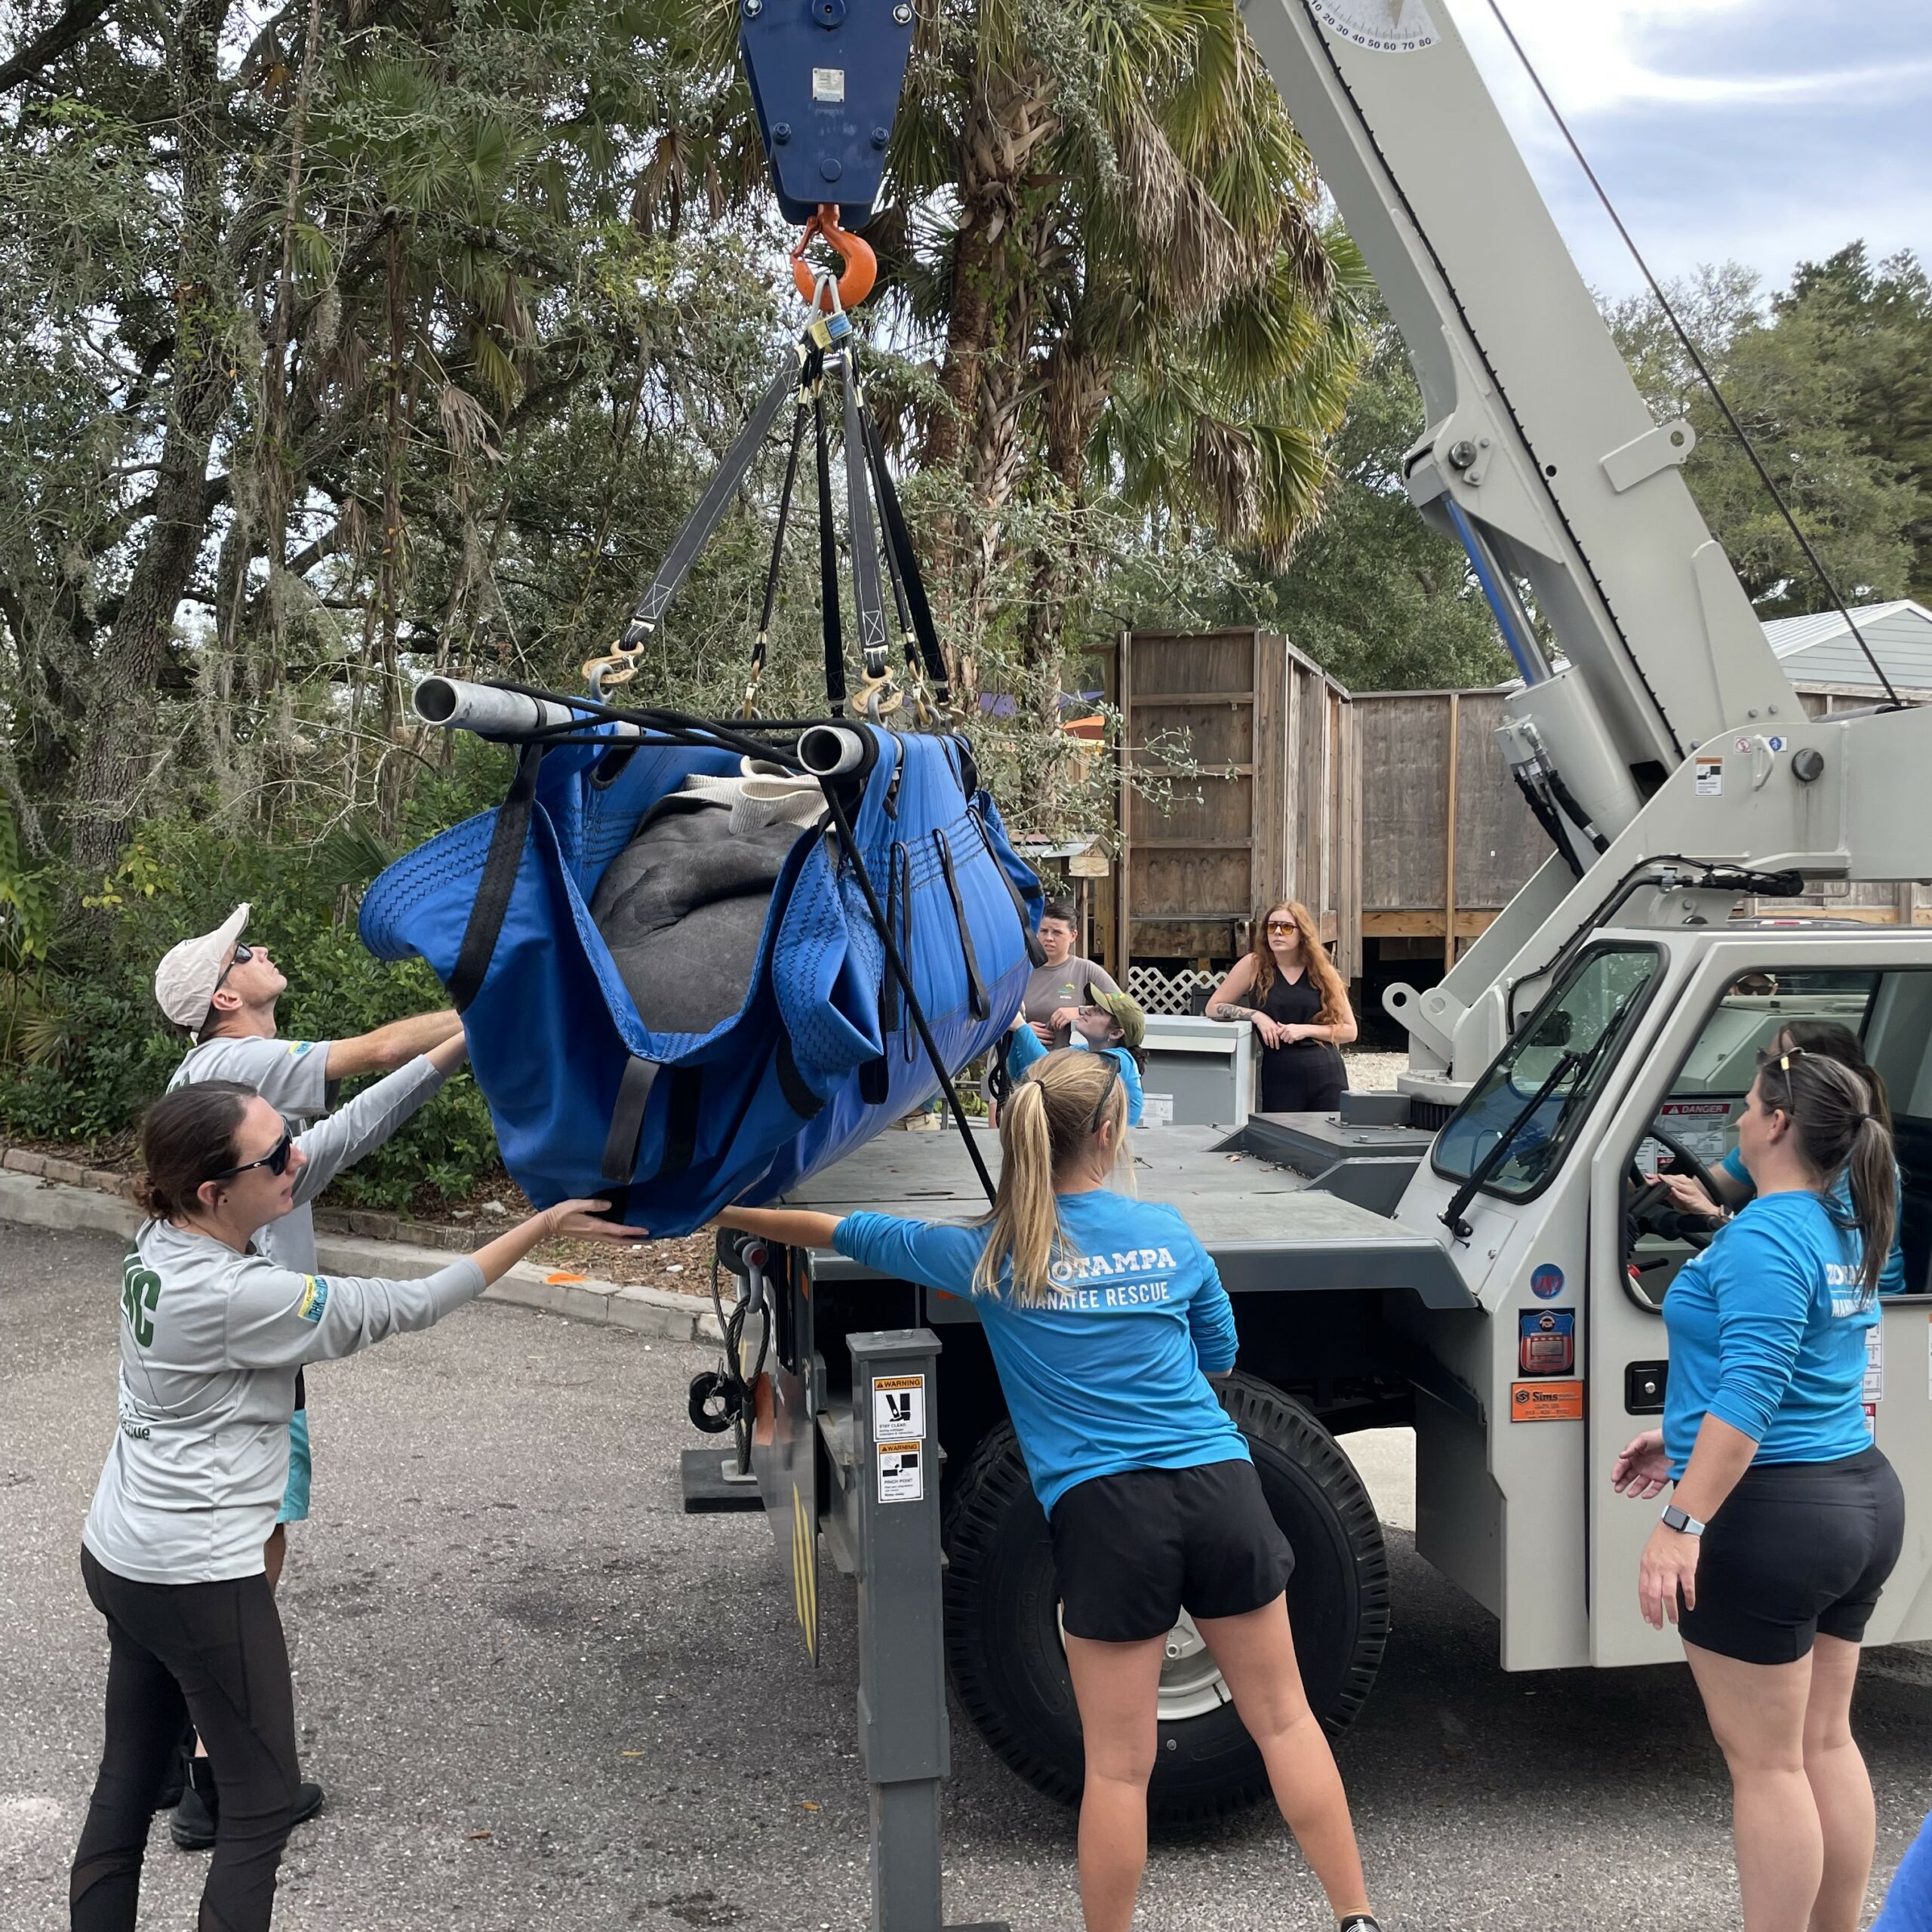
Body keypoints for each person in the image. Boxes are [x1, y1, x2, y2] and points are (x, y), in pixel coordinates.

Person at [712, 1049, 1380, 1932]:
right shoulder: (1170, 1235)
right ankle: (1355, 1917)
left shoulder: (988, 1255)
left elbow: (846, 1232)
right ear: (1109, 1133)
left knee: (1117, 1769)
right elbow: (1218, 1357)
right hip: (1223, 1489)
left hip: (1109, 1517)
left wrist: (706, 1210)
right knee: (1287, 1722)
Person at [70, 1057, 641, 1932]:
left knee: (122, 1790)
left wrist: (452, 1047)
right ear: (216, 1190)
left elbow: (338, 1134)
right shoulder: (240, 1295)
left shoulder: (162, 1239)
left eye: (286, 1139)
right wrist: (543, 1225)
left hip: (121, 1553)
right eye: (276, 1160)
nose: (296, 1161)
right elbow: (409, 1303)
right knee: (258, 1807)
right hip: (196, 1573)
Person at [152, 903, 464, 1844]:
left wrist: (453, 1052)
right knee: (250, 1552)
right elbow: (366, 1053)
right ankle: (222, 1780)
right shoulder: (228, 1064)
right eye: (243, 950)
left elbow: (334, 1143)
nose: (260, 948)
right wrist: (490, 1011)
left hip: (238, 1345)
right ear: (223, 997)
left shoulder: (227, 1095)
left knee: (235, 1543)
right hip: (252, 1344)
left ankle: (178, 1746)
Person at [1611, 1048, 1906, 1932]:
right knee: (1822, 1742)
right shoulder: (1836, 1221)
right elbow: (1801, 1371)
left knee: (1769, 1767)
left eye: (1745, 1106)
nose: (1736, 1120)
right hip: (1855, 1497)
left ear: (1778, 1123)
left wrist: (1679, 1522)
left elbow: (1748, 1397)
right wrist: (1678, 1431)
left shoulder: (1764, 1236)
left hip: (1774, 1520)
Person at [1657, 1019, 1910, 1296]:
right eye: (1764, 1056)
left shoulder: (1854, 1157)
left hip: (1855, 1297)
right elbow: (1711, 1190)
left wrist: (1723, 1220)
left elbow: (1804, 1249)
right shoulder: (1773, 1148)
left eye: (1779, 1060)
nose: (1740, 1121)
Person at [1205, 900, 1356, 1114]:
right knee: (1282, 1142)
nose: (1277, 932)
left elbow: (1350, 1031)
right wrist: (1257, 1016)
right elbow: (1213, 1006)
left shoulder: (1322, 971)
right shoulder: (1253, 965)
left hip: (1326, 1072)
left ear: (1302, 933)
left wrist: (1305, 1030)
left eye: (1286, 927)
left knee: (1328, 1141)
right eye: (1271, 926)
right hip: (1280, 1073)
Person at [1005, 982, 1146, 1127]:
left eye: (1100, 1011)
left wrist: (1021, 1027)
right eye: (1093, 1007)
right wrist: (1017, 1031)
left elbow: (1051, 1073)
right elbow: (1023, 1073)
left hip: (1112, 1148)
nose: (1088, 1011)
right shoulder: (1083, 1051)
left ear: (1116, 1033)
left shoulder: (1121, 1060)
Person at [1024, 898, 1119, 1049]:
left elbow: (1124, 1010)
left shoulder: (1086, 970)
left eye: (1057, 932)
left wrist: (1079, 1011)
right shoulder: (1022, 971)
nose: (1049, 938)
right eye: (1043, 931)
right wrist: (1022, 1031)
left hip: (1068, 1066)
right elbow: (997, 1015)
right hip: (1020, 1064)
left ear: (1073, 936)